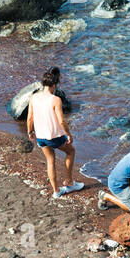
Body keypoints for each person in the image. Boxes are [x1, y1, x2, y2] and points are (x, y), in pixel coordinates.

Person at [25, 67, 83, 199]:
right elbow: (62, 121)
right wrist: (68, 134)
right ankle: (69, 182)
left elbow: (30, 118)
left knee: (50, 160)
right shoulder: (55, 99)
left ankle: (56, 191)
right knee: (71, 151)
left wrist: (30, 132)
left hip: (41, 137)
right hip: (54, 136)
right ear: (54, 84)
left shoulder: (33, 97)